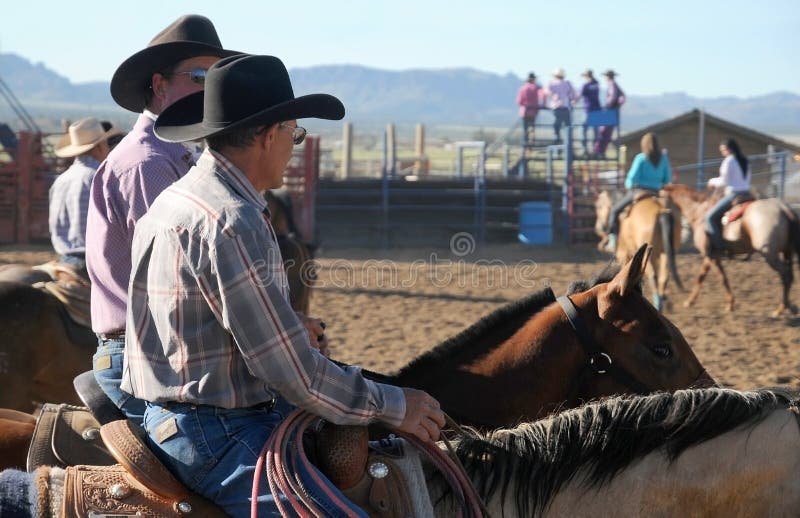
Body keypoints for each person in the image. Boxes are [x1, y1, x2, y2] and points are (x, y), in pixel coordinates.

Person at [123, 54, 446, 517]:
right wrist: (395, 405)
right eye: (294, 134)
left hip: (181, 418)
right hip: (220, 432)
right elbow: (290, 373)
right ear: (269, 134)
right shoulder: (232, 220)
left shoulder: (177, 200)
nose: (293, 147)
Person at [85, 14, 239, 425]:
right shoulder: (148, 163)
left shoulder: (176, 155)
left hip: (162, 347)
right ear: (159, 85)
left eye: (216, 78)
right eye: (200, 76)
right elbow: (178, 274)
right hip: (146, 355)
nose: (210, 88)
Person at [49, 117, 120, 277]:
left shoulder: (60, 180)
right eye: (105, 143)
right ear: (99, 147)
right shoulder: (100, 178)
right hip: (94, 261)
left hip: (65, 259)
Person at [605, 132, 671, 252]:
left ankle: (612, 241)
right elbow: (667, 179)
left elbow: (631, 178)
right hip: (657, 192)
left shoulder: (641, 158)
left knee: (615, 210)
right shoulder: (664, 158)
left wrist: (628, 185)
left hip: (639, 191)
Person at [705, 138, 752, 255]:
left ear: (730, 149)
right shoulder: (745, 160)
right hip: (747, 193)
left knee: (709, 217)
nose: (723, 153)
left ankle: (720, 247)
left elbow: (724, 182)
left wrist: (711, 182)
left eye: (724, 150)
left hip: (734, 194)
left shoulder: (729, 161)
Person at [594, 69, 625, 158]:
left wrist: (608, 106)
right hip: (613, 110)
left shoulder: (612, 85)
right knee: (607, 132)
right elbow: (621, 97)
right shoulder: (615, 85)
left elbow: (613, 97)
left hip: (610, 110)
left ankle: (599, 152)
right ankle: (601, 151)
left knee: (603, 131)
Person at [544, 68, 577, 144]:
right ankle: (568, 142)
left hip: (556, 107)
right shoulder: (567, 83)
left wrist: (553, 96)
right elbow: (573, 95)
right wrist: (572, 101)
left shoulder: (552, 83)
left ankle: (557, 140)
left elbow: (546, 92)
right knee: (567, 125)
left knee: (557, 125)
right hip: (566, 107)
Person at [516, 72, 542, 146]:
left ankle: (525, 145)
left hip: (524, 112)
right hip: (533, 111)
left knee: (525, 130)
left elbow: (519, 102)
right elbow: (542, 94)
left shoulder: (522, 88)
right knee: (532, 129)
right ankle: (531, 144)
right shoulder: (536, 88)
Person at [578, 69, 601, 156]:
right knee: (595, 131)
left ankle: (584, 149)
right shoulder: (596, 83)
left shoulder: (586, 85)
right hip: (596, 109)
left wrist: (573, 102)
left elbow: (580, 95)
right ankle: (595, 150)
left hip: (588, 109)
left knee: (583, 130)